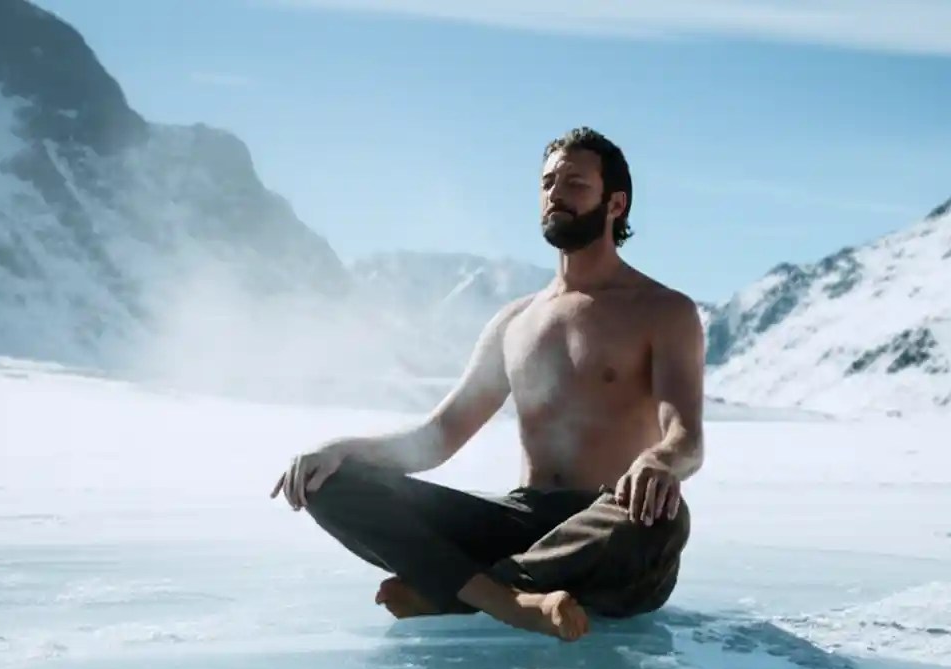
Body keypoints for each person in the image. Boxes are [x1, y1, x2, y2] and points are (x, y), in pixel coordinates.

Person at [271, 127, 705, 642]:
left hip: (604, 526)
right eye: (547, 183)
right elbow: (438, 436)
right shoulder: (514, 322)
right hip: (518, 519)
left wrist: (659, 461)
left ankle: (459, 591)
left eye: (574, 183)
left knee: (664, 518)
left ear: (616, 203)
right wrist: (339, 449)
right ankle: (508, 600)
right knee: (331, 485)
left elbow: (685, 438)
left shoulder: (662, 311)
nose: (555, 195)